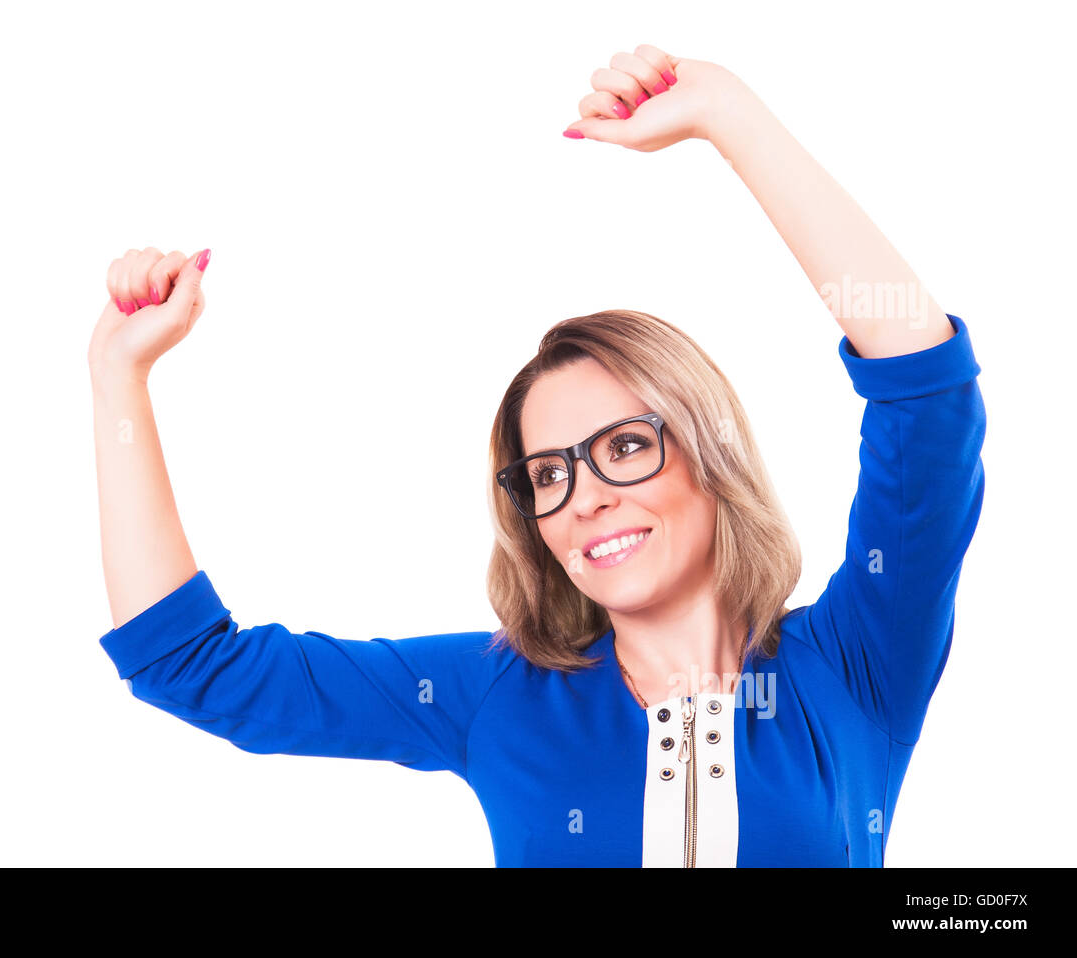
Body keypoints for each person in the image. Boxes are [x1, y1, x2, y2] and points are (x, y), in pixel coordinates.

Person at [88, 44, 986, 867]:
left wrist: (729, 114)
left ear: (712, 460)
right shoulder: (495, 694)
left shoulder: (857, 660)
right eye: (549, 473)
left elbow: (927, 394)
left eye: (626, 446)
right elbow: (195, 668)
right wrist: (118, 379)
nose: (583, 498)